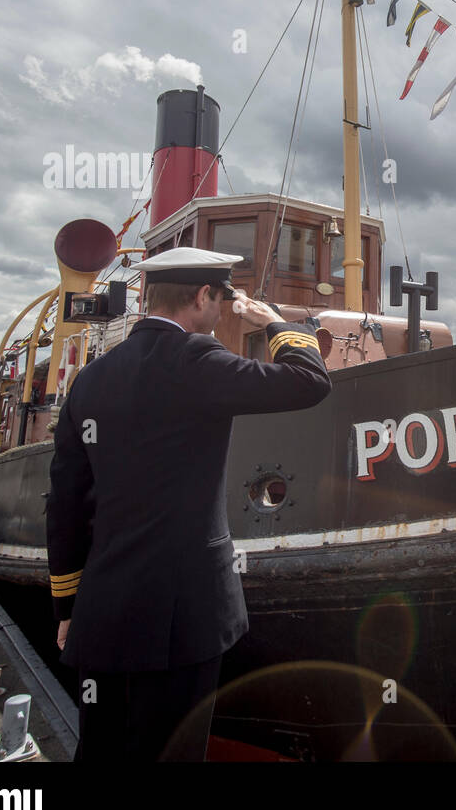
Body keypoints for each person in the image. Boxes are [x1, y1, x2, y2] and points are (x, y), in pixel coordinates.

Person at [45, 247, 331, 762]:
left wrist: (67, 608)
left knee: (102, 747)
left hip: (103, 611)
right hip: (184, 617)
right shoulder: (197, 360)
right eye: (220, 299)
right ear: (202, 296)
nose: (223, 311)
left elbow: (65, 504)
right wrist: (277, 325)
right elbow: (309, 381)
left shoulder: (91, 379)